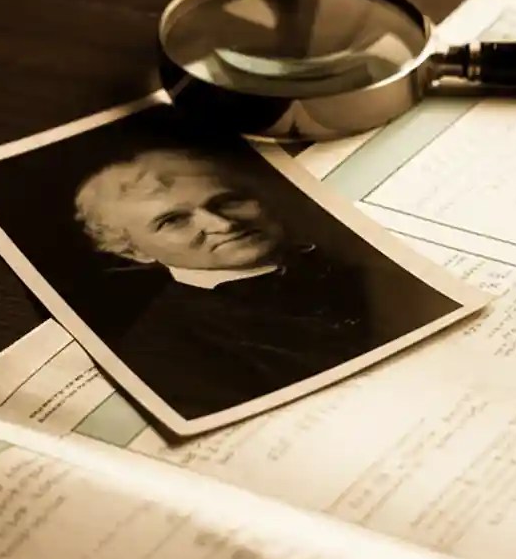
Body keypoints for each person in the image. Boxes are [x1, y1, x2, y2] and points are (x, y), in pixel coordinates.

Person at [73, 146, 379, 420]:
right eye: (174, 220)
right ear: (134, 251)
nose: (224, 224)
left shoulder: (352, 263)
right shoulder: (163, 353)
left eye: (228, 201)